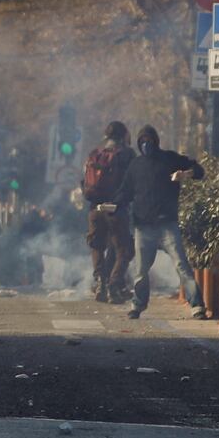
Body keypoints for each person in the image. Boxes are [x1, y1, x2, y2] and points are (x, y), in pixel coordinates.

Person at [119, 125, 205, 320]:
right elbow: (125, 192)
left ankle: (197, 306)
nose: (145, 144)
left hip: (167, 224)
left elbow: (199, 170)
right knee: (140, 271)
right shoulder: (136, 165)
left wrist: (186, 174)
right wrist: (113, 205)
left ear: (156, 141)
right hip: (143, 226)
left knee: (182, 265)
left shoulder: (170, 159)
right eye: (141, 141)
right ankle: (137, 305)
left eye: (148, 140)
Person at [82, 121, 137, 303]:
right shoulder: (127, 155)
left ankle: (100, 282)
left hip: (95, 209)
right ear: (123, 136)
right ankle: (115, 284)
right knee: (124, 248)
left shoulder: (94, 155)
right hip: (117, 209)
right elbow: (134, 181)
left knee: (97, 246)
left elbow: (84, 182)